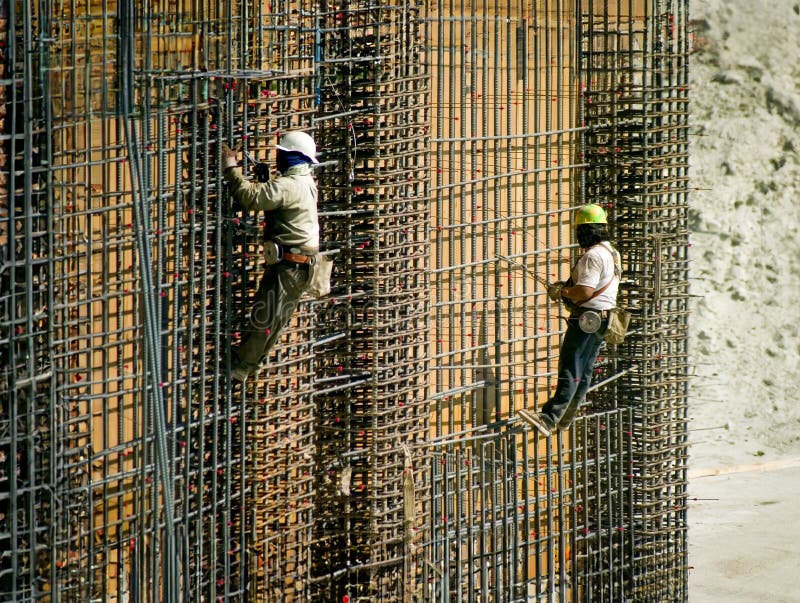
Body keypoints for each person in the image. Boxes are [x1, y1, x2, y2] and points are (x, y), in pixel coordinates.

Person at [221, 131, 320, 381]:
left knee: (265, 319)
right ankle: (250, 364)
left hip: (289, 267)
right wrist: (267, 181)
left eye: (281, 153)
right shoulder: (306, 182)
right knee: (274, 321)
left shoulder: (289, 185)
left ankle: (241, 366)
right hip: (300, 266)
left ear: (291, 156)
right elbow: (279, 209)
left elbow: (250, 198)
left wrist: (230, 167)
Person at [525, 203, 621, 436]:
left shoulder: (593, 256)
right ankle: (566, 418)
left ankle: (549, 418)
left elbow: (585, 292)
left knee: (571, 367)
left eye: (580, 231)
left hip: (587, 319)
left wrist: (563, 292)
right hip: (605, 319)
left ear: (586, 231)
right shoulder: (612, 252)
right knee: (584, 371)